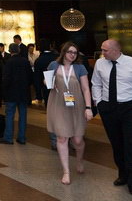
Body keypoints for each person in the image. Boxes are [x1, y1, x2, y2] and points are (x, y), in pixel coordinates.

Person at [92, 39, 132, 196]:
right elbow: (96, 84)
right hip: (108, 109)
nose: (102, 53)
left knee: (131, 145)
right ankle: (123, 175)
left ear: (115, 50)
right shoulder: (100, 64)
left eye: (105, 50)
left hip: (129, 109)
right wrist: (99, 102)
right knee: (117, 144)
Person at [46, 42, 93, 185]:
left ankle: (79, 160)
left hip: (76, 105)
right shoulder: (53, 65)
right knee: (62, 138)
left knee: (77, 140)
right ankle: (66, 172)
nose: (72, 55)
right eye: (70, 52)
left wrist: (88, 107)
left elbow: (86, 89)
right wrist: (48, 82)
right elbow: (47, 82)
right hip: (58, 104)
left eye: (75, 52)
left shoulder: (80, 68)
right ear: (63, 52)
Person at [0, 43, 32, 146]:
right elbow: (30, 77)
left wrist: (4, 91)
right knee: (23, 115)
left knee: (9, 115)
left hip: (11, 93)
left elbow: (6, 79)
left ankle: (8, 137)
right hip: (23, 93)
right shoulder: (25, 61)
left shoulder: (9, 62)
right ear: (19, 50)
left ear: (10, 51)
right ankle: (22, 137)